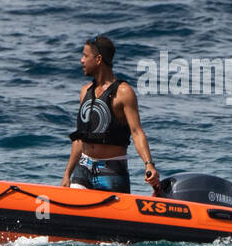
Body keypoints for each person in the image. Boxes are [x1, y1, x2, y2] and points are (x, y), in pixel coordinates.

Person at [61, 35, 160, 192]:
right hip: (83, 169)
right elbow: (80, 138)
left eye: (85, 56)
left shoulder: (123, 92)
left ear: (98, 59)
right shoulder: (85, 92)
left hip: (111, 171)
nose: (81, 60)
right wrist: (67, 173)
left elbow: (136, 132)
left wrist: (149, 164)